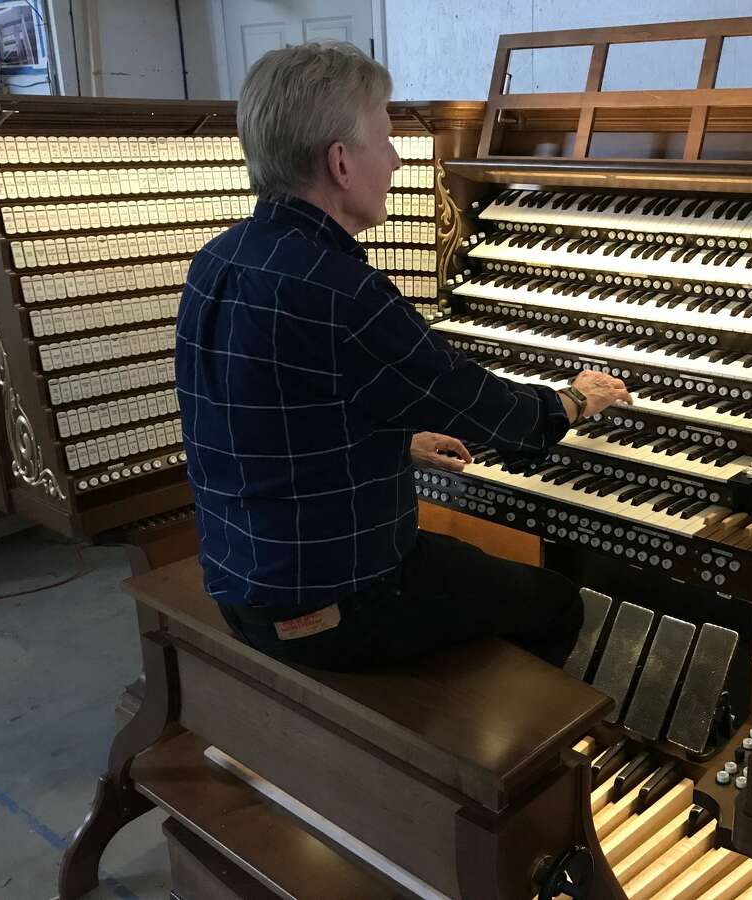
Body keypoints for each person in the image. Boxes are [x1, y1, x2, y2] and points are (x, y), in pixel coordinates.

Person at [174, 41, 631, 672]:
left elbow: (262, 415)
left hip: (240, 576)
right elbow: (484, 406)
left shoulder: (218, 259)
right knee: (553, 602)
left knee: (466, 568)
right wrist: (574, 400)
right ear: (340, 162)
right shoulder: (339, 288)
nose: (392, 159)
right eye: (385, 139)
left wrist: (395, 437)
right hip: (335, 603)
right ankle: (491, 754)